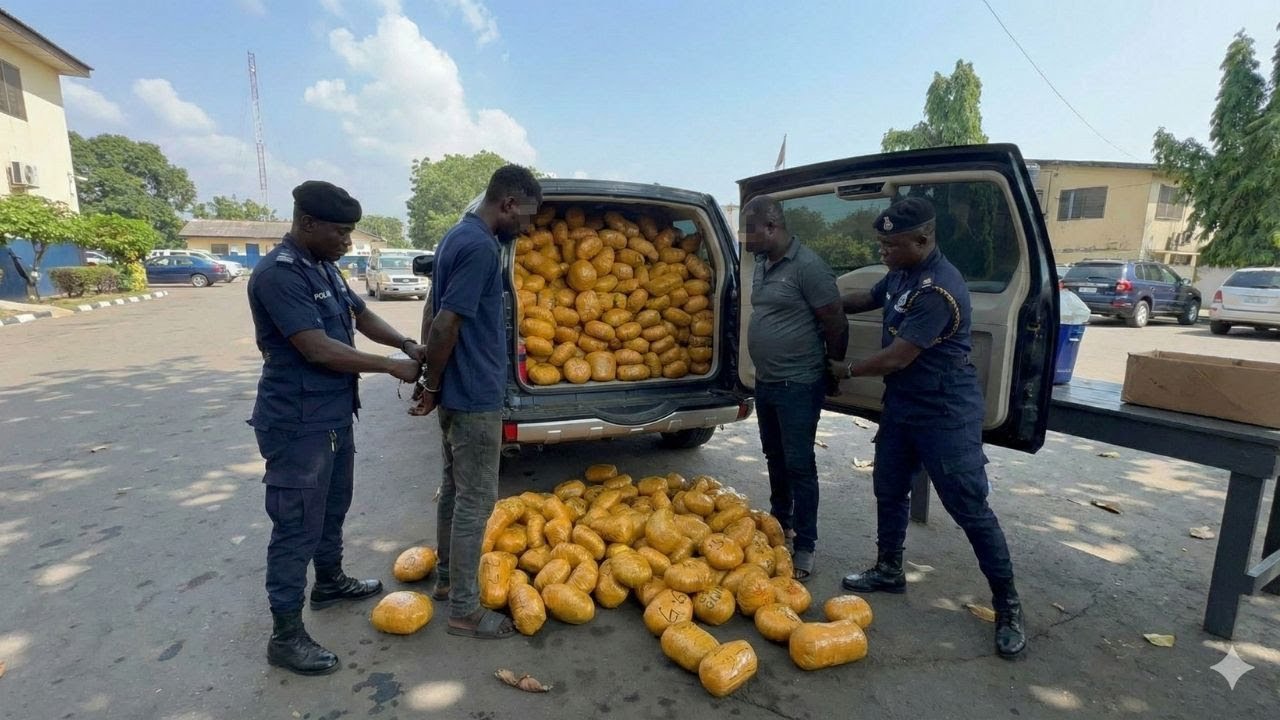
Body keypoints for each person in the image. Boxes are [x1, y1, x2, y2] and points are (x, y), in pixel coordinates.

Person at [832, 196, 1026, 658]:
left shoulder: (939, 290)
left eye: (891, 245)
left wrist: (846, 371)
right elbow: (867, 298)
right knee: (889, 487)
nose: (882, 252)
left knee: (969, 507)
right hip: (904, 403)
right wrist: (822, 303)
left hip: (944, 409)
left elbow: (898, 357)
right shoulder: (902, 271)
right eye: (880, 244)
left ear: (922, 240)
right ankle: (889, 568)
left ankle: (1008, 605)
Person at [248, 180, 426, 675]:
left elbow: (360, 314)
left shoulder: (323, 265)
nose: (349, 241)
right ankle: (285, 636)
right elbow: (316, 347)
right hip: (296, 423)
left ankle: (329, 582)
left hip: (331, 416)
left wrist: (406, 343)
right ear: (308, 224)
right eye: (341, 232)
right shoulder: (279, 275)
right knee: (295, 526)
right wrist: (390, 366)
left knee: (332, 507)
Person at [411, 165, 542, 639]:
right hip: (473, 396)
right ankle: (465, 610)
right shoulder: (482, 248)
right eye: (526, 217)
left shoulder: (455, 237)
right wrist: (431, 384)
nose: (527, 228)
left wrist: (432, 381)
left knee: (454, 489)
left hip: (457, 391)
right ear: (508, 204)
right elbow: (446, 323)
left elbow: (434, 310)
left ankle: (448, 580)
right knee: (476, 501)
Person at [740, 194, 847, 583]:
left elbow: (836, 322)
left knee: (800, 463)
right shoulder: (762, 264)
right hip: (767, 381)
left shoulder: (809, 267)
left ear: (772, 226)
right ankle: (780, 522)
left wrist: (833, 370)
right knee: (774, 455)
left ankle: (806, 544)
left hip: (799, 383)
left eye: (749, 230)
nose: (744, 238)